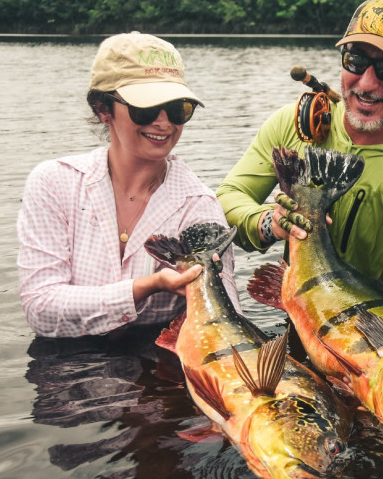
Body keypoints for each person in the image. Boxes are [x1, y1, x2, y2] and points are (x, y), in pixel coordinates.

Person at [216, 0, 383, 319]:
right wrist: (271, 223)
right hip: (297, 320)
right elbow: (226, 199)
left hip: (371, 335)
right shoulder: (292, 125)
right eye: (354, 61)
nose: (367, 83)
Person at [17, 32, 237, 338]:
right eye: (145, 109)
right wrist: (147, 287)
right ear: (102, 108)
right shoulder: (54, 183)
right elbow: (41, 310)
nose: (164, 123)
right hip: (60, 369)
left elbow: (226, 322)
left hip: (155, 369)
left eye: (178, 110)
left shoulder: (199, 205)